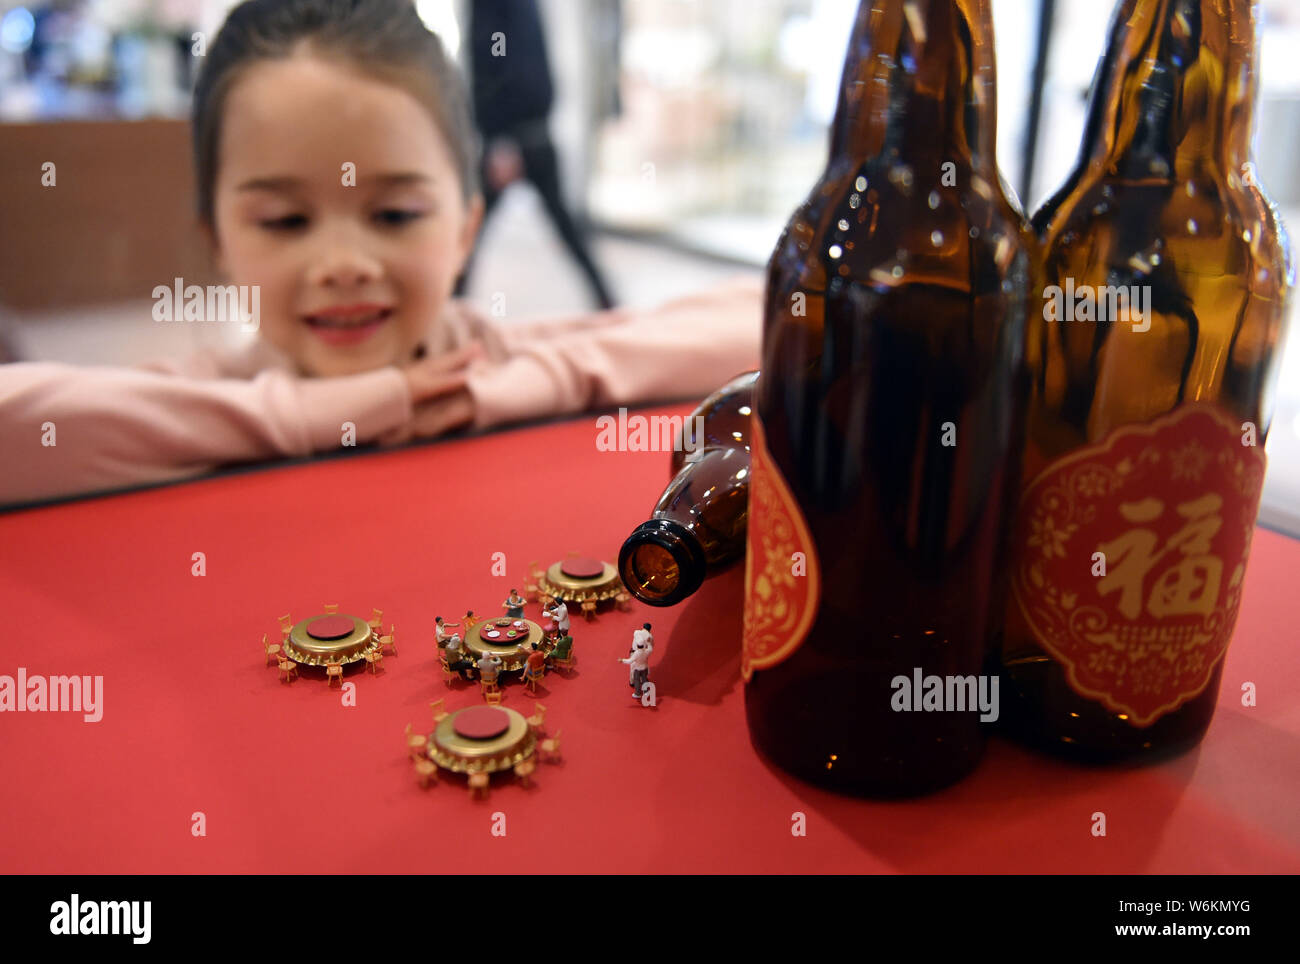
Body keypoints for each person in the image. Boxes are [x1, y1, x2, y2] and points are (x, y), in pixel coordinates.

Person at [0, 0, 761, 508]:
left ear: (465, 228)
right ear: (218, 241)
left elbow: (761, 319)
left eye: (393, 213)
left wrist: (488, 390)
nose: (344, 263)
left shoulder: (480, 360)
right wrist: (329, 412)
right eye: (286, 220)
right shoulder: (215, 392)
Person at [458, 0, 615, 308]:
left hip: (516, 136)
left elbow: (499, 63)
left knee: (472, 230)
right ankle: (608, 301)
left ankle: (447, 306)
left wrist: (502, 139)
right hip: (528, 132)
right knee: (476, 231)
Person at [620, 622, 654, 701]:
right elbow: (651, 647)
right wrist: (648, 641)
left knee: (633, 669)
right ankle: (645, 688)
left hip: (635, 653)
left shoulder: (637, 632)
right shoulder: (650, 637)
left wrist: (622, 660)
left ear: (643, 627)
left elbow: (629, 661)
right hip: (644, 656)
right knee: (644, 672)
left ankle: (633, 683)